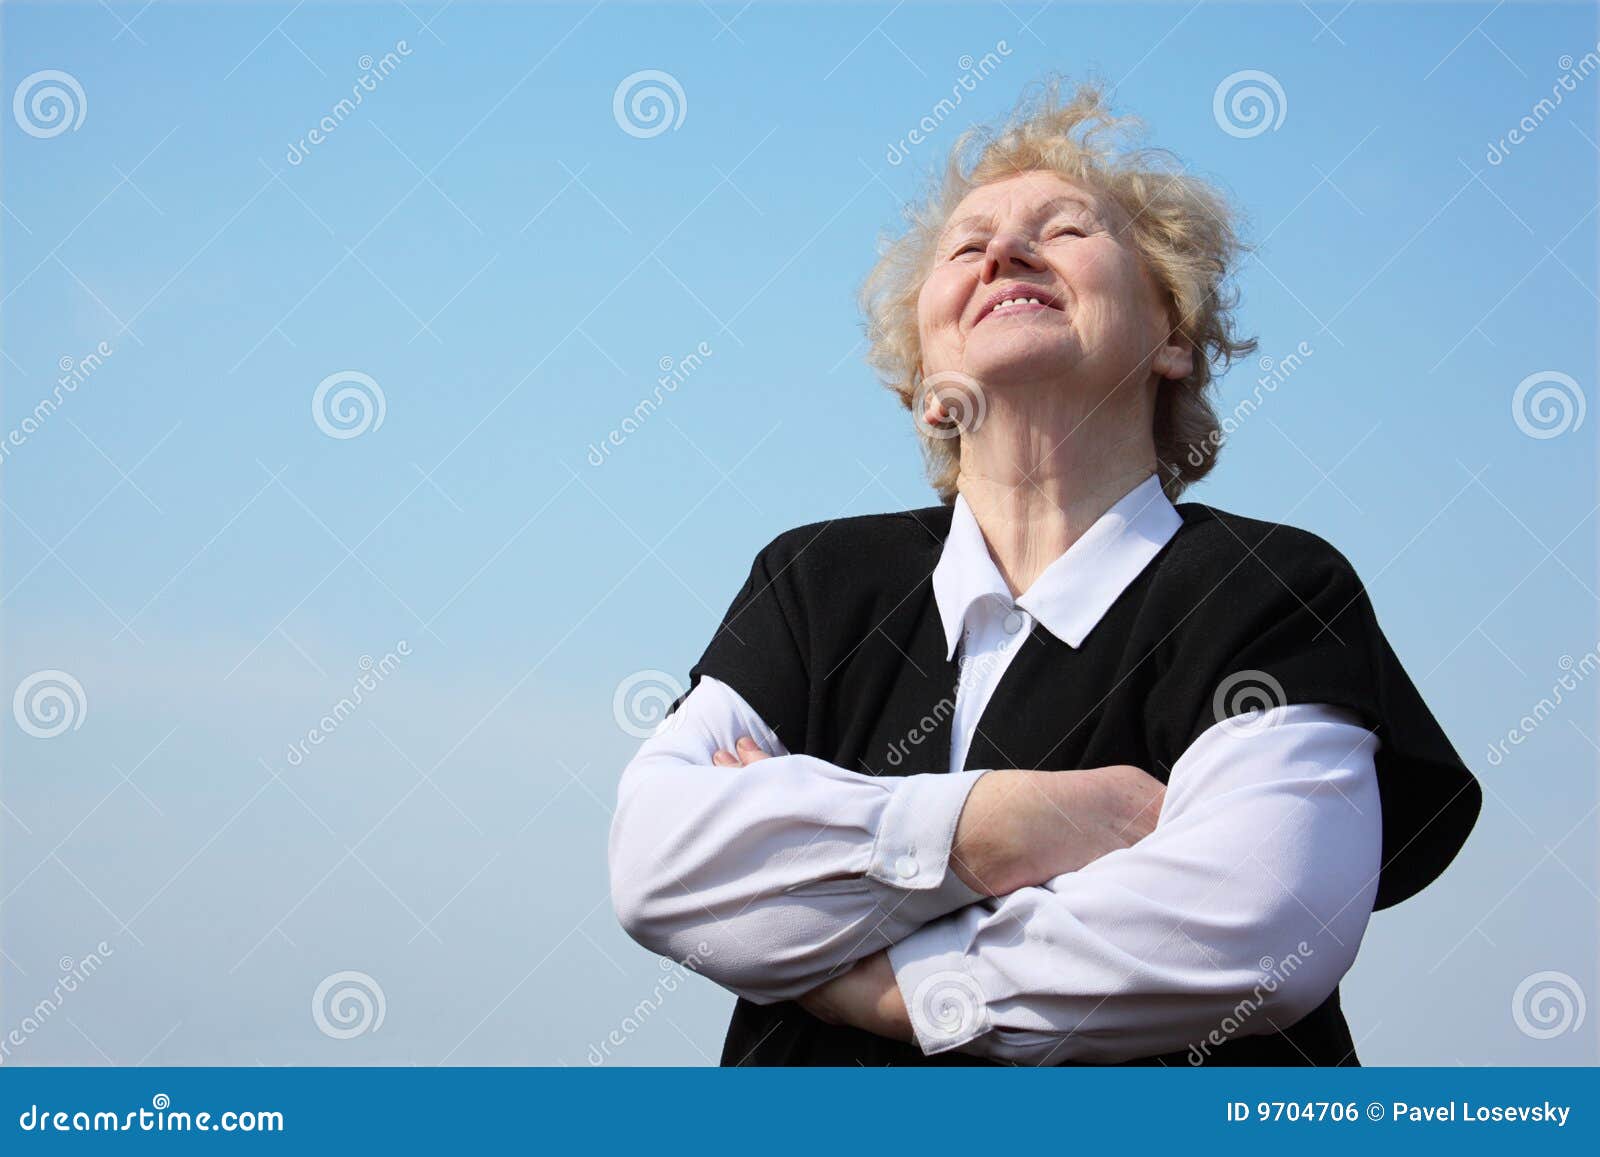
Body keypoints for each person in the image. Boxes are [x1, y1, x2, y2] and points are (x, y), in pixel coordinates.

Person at [607, 78, 1481, 1066]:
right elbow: (658, 859)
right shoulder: (815, 579)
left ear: (1171, 336)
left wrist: (881, 979)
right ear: (923, 371)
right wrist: (1017, 821)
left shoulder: (1269, 587)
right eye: (965, 244)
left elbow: (1255, 931)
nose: (1003, 250)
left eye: (1063, 228)